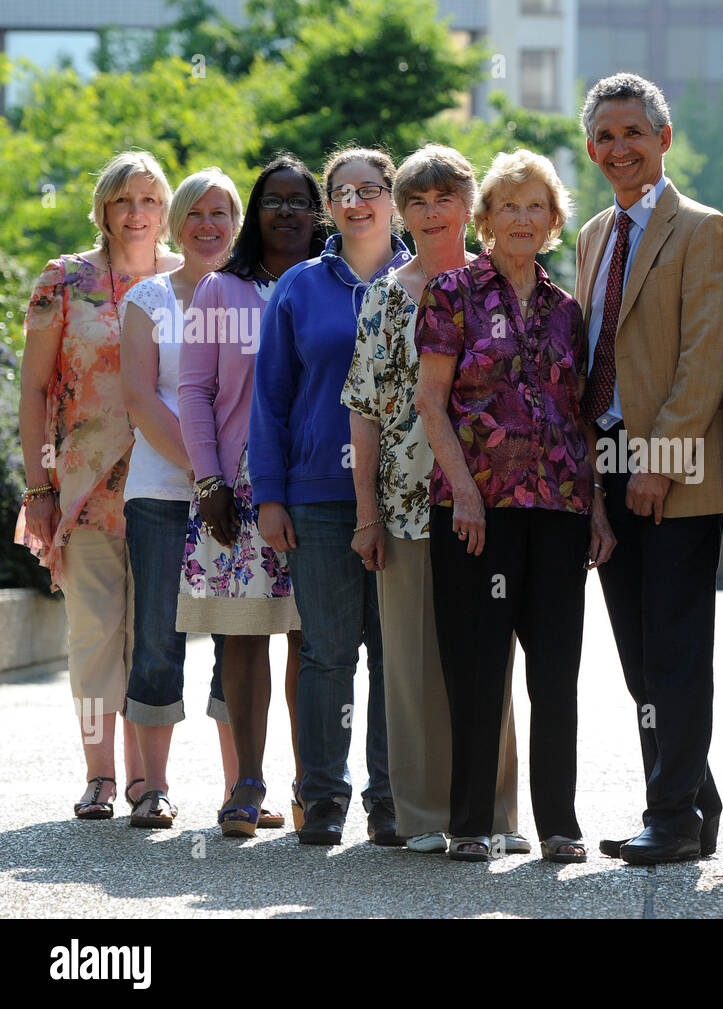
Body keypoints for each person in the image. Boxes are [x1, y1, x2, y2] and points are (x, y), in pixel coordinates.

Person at [414, 148, 611, 863]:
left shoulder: (568, 311)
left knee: (556, 672)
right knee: (475, 669)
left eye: (536, 206)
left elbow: (581, 418)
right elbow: (430, 403)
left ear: (554, 219)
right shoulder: (452, 293)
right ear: (486, 219)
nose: (522, 218)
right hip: (474, 513)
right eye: (508, 205)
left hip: (558, 512)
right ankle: (470, 820)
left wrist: (596, 509)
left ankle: (558, 821)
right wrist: (465, 490)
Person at [343, 144, 529, 855]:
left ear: (467, 203)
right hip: (406, 500)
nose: (430, 211)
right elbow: (362, 407)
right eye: (416, 200)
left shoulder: (500, 287)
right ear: (401, 209)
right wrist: (367, 513)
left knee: (489, 661)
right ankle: (423, 814)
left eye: (443, 197)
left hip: (494, 499)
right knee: (415, 660)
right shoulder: (386, 296)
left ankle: (497, 813)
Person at [575, 73, 723, 865]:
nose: (619, 148)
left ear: (664, 139)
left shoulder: (705, 230)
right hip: (608, 470)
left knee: (675, 648)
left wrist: (659, 461)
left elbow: (706, 358)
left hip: (672, 475)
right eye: (605, 136)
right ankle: (693, 796)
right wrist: (598, 477)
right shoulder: (590, 236)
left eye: (633, 132)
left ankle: (670, 814)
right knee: (639, 656)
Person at [249, 147, 410, 846]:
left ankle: (392, 798)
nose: (355, 202)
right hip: (317, 496)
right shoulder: (299, 287)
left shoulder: (423, 277)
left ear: (392, 197)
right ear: (329, 206)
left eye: (369, 189)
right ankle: (322, 796)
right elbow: (271, 397)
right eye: (341, 192)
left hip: (407, 496)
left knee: (397, 653)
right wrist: (270, 494)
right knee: (324, 652)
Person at [16, 151, 181, 820]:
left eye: (148, 199)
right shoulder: (64, 281)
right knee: (92, 637)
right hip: (83, 489)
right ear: (103, 210)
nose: (136, 212)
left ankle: (150, 782)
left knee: (156, 634)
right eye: (122, 200)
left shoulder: (191, 280)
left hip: (166, 484)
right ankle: (100, 776)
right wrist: (38, 487)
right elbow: (32, 389)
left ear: (164, 210)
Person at [177, 155, 328, 836]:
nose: (287, 211)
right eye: (274, 200)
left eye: (300, 200)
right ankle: (246, 782)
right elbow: (195, 390)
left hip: (319, 481)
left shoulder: (332, 285)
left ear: (317, 213)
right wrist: (207, 478)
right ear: (256, 214)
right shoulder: (221, 289)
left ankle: (309, 788)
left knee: (309, 635)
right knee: (241, 636)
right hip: (233, 486)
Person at [119, 168, 242, 828]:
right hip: (163, 493)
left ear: (235, 225)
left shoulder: (257, 295)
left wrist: (230, 482)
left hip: (240, 502)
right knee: (158, 640)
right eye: (195, 212)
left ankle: (239, 790)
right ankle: (153, 788)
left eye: (220, 212)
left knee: (236, 638)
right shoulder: (148, 299)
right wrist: (207, 473)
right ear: (176, 224)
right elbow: (140, 398)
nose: (207, 223)